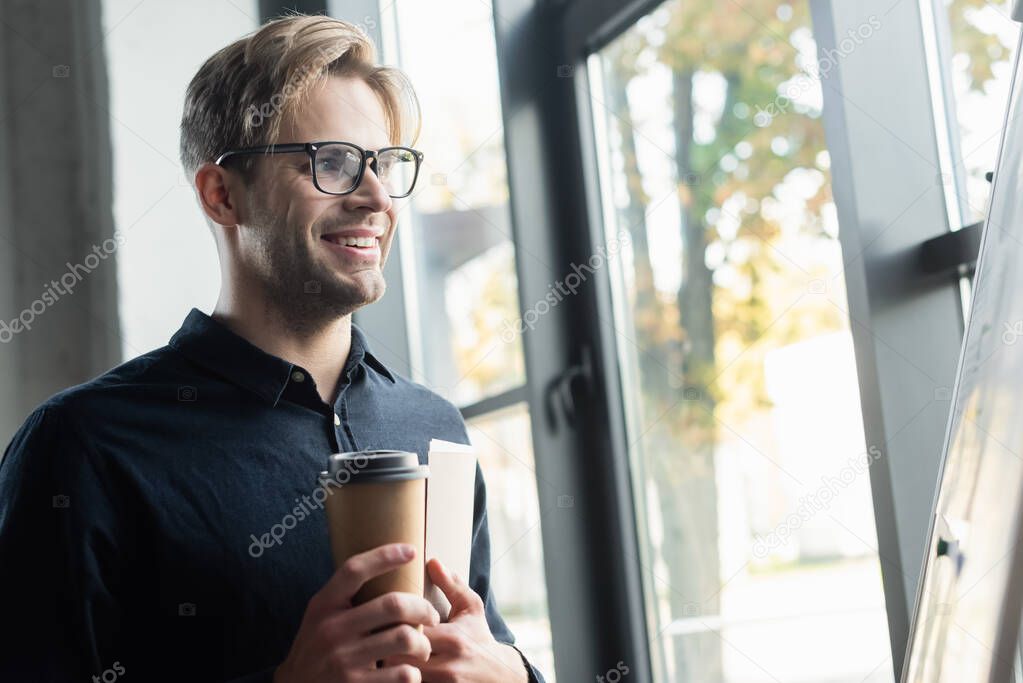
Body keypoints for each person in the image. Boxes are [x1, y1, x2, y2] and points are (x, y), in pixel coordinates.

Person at [0, 13, 544, 683]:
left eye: (385, 164)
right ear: (222, 194)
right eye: (333, 163)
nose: (376, 196)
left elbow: (482, 640)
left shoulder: (434, 426)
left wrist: (515, 675)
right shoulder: (81, 447)